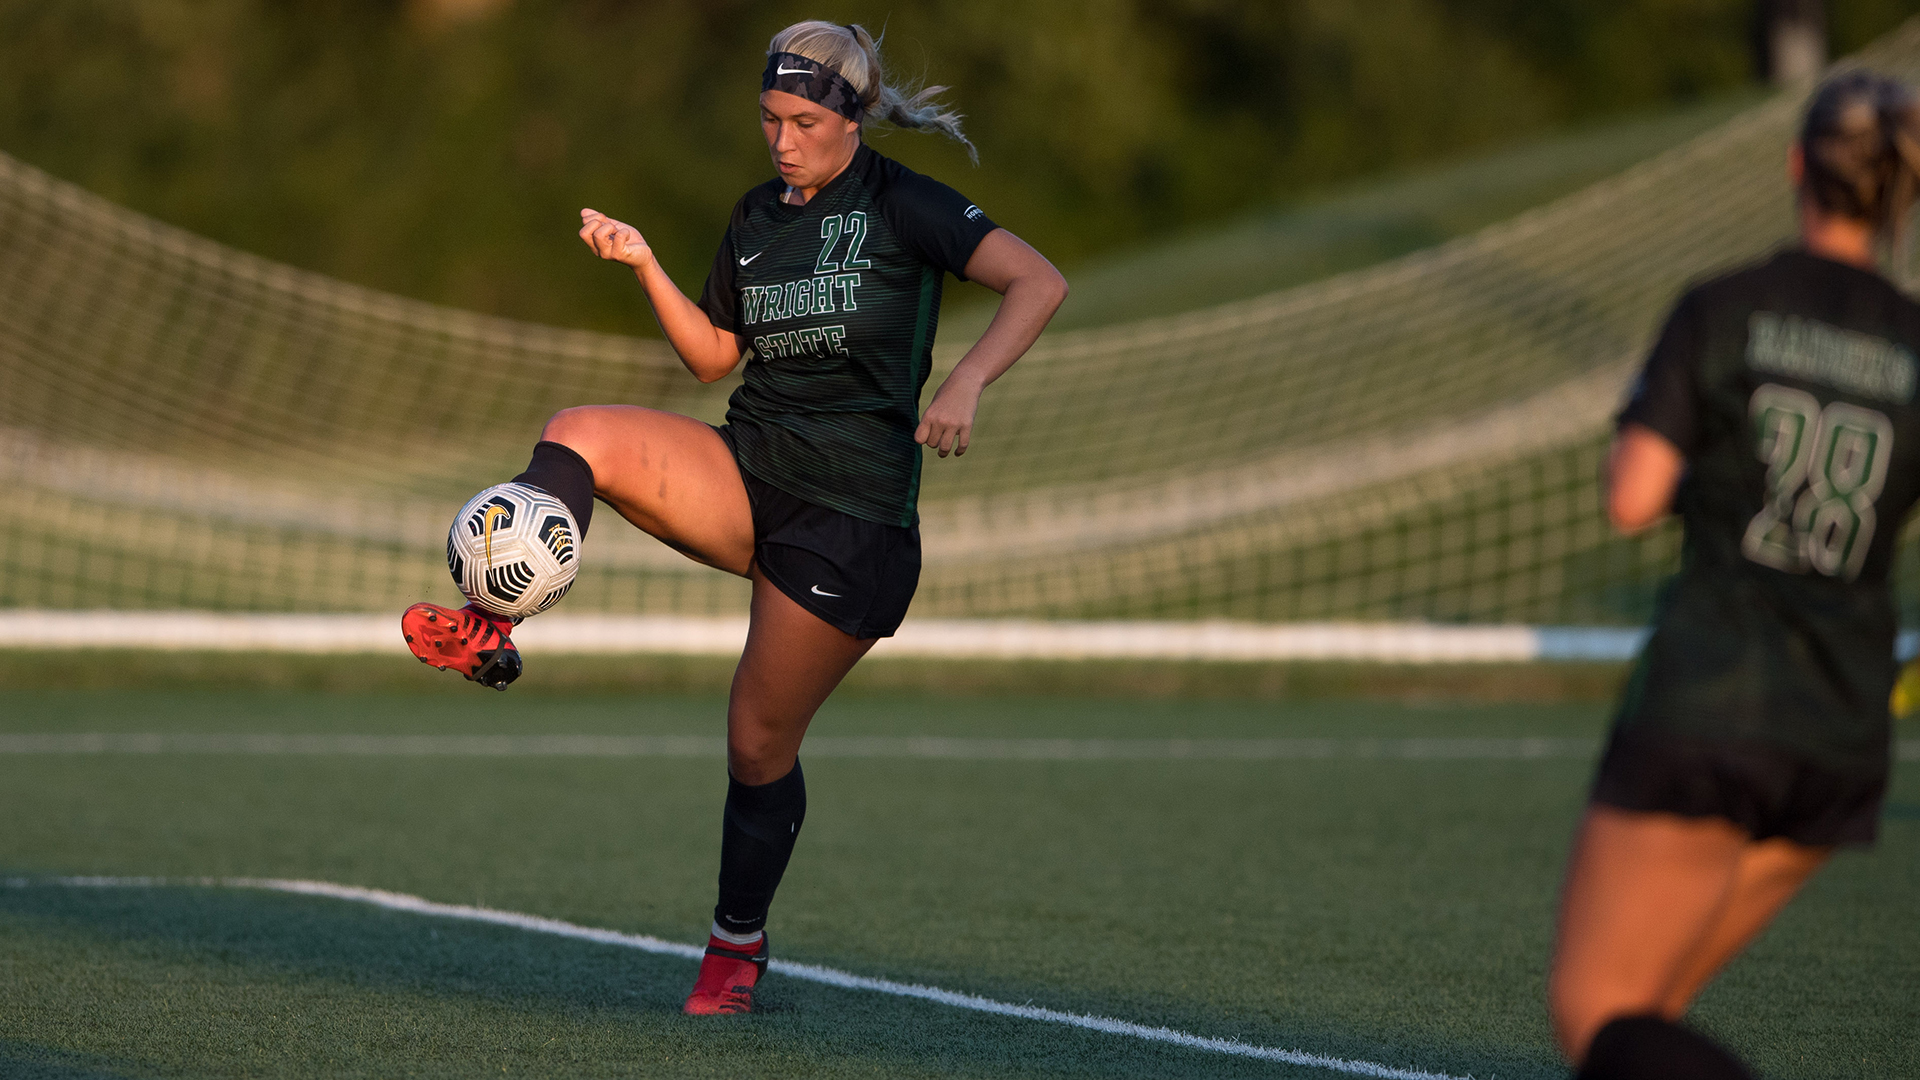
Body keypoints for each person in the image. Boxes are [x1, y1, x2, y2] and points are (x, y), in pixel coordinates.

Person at [400, 20, 1066, 1015]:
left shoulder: (903, 203)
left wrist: (966, 381)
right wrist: (643, 264)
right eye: (769, 119)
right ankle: (493, 626)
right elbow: (715, 358)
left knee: (757, 743)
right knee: (579, 431)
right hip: (749, 467)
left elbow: (1038, 280)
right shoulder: (758, 215)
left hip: (851, 518)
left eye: (802, 121)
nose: (782, 139)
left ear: (851, 118)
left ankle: (735, 947)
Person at [1549, 71, 1920, 1079]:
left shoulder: (1726, 309)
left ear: (1796, 166)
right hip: (1843, 724)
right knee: (1653, 1011)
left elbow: (1632, 497)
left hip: (1715, 697)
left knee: (1599, 1008)